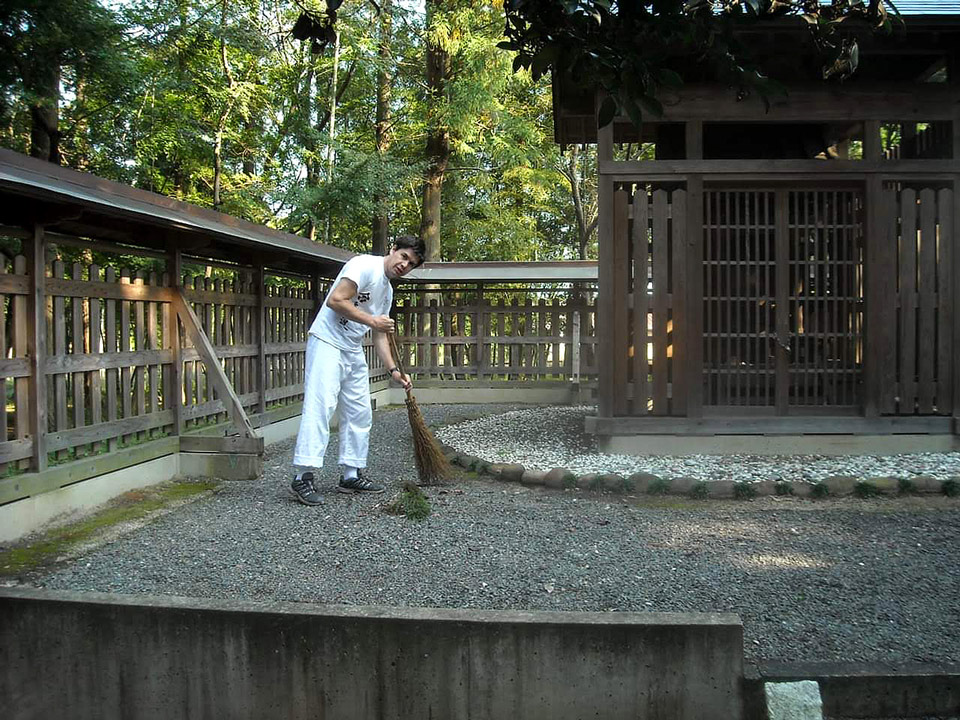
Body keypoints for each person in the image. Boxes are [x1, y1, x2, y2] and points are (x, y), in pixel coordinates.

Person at [290, 235, 425, 505]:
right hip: (327, 340)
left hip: (351, 348)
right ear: (393, 250)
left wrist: (393, 371)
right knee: (322, 406)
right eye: (404, 257)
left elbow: (379, 335)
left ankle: (350, 474)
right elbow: (337, 300)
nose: (404, 265)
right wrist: (373, 320)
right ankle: (302, 477)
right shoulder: (363, 265)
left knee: (360, 410)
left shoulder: (386, 291)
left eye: (411, 264)